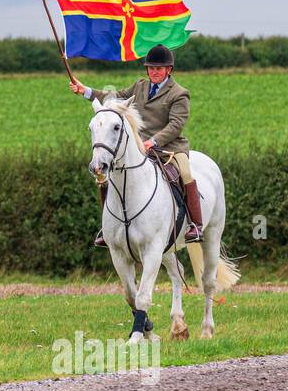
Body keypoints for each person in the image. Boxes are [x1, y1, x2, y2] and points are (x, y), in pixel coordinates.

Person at [69, 43, 202, 245]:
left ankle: (195, 225)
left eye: (158, 68)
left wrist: (154, 141)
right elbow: (113, 97)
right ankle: (108, 229)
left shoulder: (179, 93)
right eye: (151, 68)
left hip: (170, 149)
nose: (154, 72)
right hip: (138, 147)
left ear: (169, 70)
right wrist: (85, 91)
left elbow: (176, 125)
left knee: (185, 173)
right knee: (105, 176)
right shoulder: (139, 86)